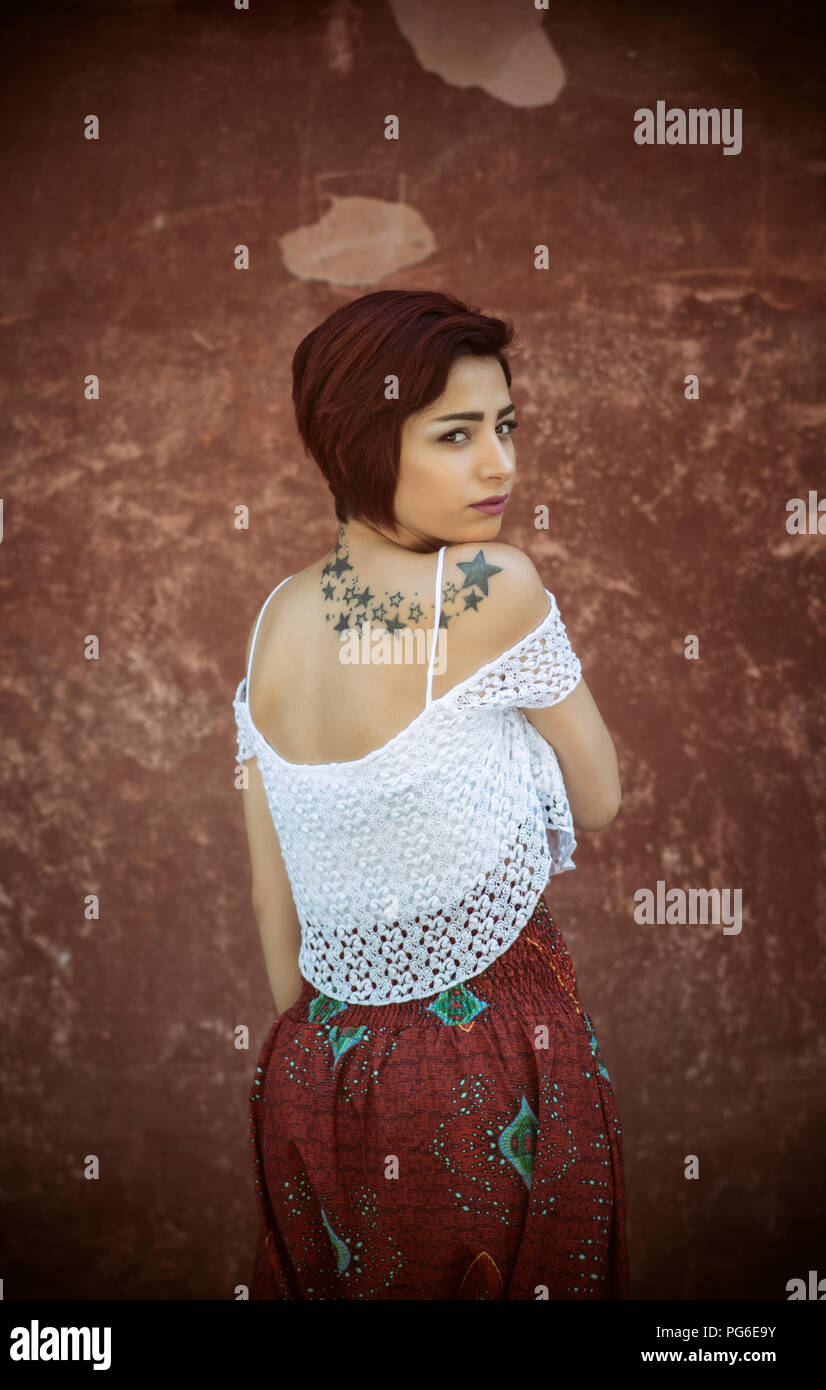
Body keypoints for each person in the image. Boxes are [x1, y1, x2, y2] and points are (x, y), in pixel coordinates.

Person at [233, 289, 629, 1300]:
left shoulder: (273, 620)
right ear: (361, 442)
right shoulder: (494, 590)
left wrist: (339, 1069)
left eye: (504, 426)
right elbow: (600, 798)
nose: (500, 465)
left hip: (311, 1067)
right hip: (485, 1044)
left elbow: (275, 907)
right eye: (456, 435)